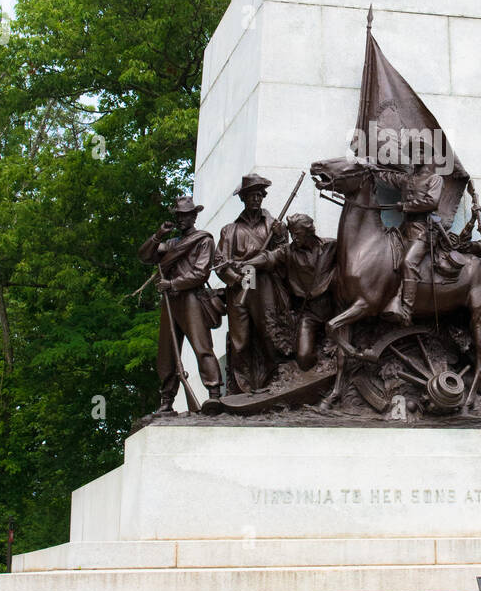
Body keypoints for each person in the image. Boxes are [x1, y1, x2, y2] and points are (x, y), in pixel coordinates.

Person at [138, 195, 223, 414]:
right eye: (178, 216)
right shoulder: (171, 243)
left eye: (185, 215)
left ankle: (214, 394)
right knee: (166, 353)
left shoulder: (204, 240)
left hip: (191, 298)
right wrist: (158, 235)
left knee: (202, 347)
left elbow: (200, 273)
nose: (181, 219)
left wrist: (172, 283)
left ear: (194, 216)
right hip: (170, 301)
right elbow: (145, 256)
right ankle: (167, 399)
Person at [214, 174, 288, 392]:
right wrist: (235, 279)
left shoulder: (273, 226)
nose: (256, 199)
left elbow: (284, 254)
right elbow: (219, 261)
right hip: (239, 284)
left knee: (269, 330)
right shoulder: (230, 230)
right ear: (243, 199)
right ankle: (242, 388)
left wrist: (280, 237)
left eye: (259, 195)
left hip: (264, 281)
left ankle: (275, 381)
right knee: (241, 338)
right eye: (251, 195)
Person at [244, 213, 337, 371]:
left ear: (309, 231)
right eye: (292, 233)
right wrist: (246, 264)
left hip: (334, 308)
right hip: (309, 312)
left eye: (298, 234)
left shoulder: (331, 246)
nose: (294, 237)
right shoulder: (288, 251)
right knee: (303, 358)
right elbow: (268, 258)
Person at [377, 162, 443, 326]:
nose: (416, 155)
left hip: (424, 231)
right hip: (405, 229)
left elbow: (432, 202)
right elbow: (388, 177)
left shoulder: (435, 179)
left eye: (420, 151)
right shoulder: (407, 179)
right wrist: (370, 167)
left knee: (408, 262)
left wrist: (406, 206)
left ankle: (406, 311)